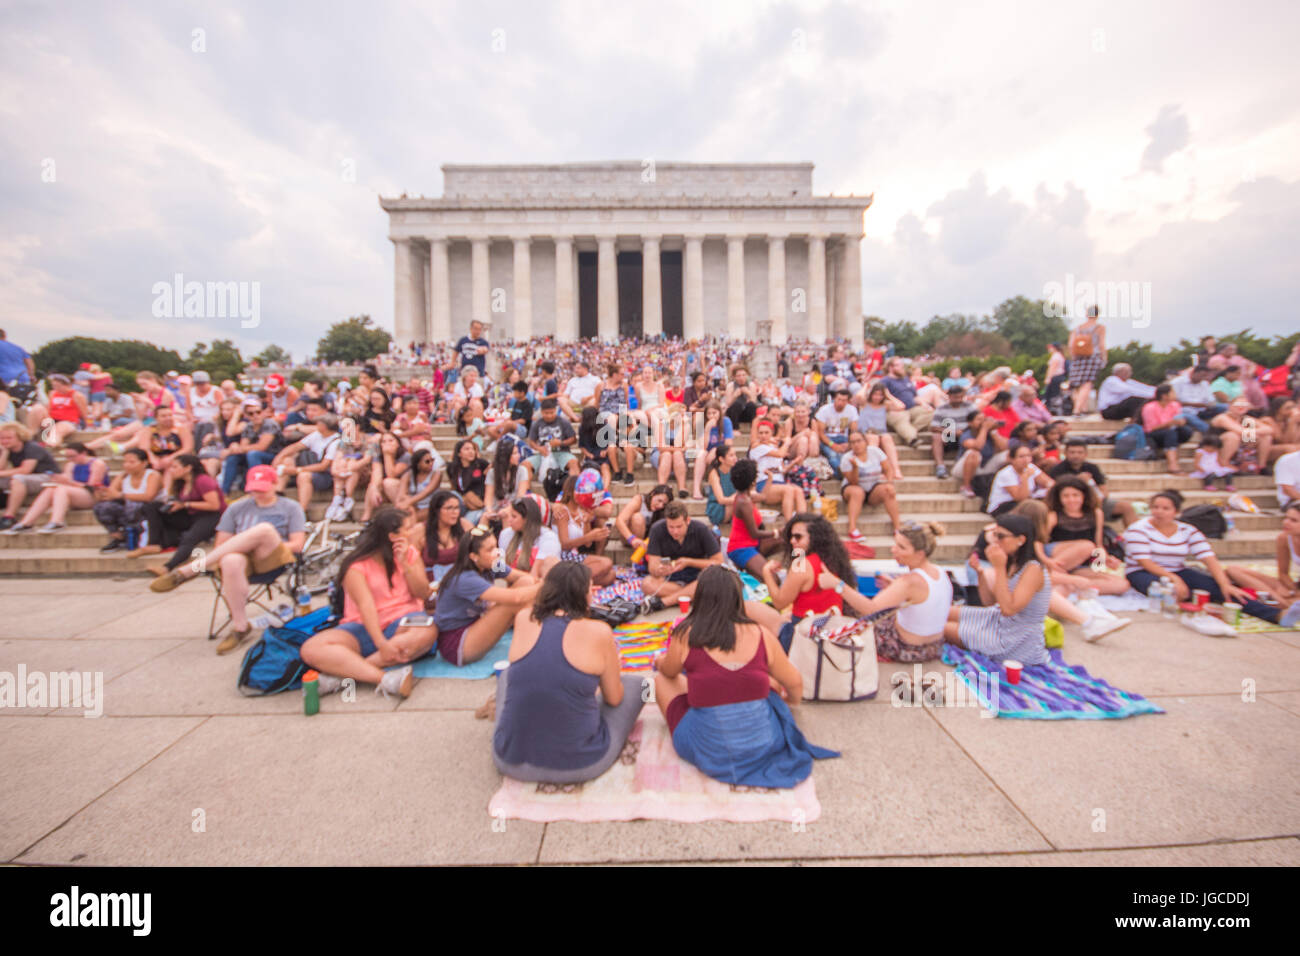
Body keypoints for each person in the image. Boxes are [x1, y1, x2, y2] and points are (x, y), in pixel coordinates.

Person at [653, 565, 837, 788]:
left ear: (699, 598)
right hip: (763, 745)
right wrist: (790, 704)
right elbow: (794, 682)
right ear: (738, 599)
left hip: (708, 750)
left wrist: (660, 660)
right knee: (768, 681)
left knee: (661, 681)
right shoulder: (761, 634)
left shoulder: (685, 635)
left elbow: (668, 672)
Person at [493, 561, 644, 783]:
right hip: (582, 763)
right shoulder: (599, 632)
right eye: (590, 588)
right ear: (583, 594)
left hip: (509, 759)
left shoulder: (524, 618)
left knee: (507, 676)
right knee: (640, 685)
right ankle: (646, 699)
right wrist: (611, 666)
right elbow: (614, 698)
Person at [149, 464, 307, 654]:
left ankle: (189, 570)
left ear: (275, 484)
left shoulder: (291, 507)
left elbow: (297, 544)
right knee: (230, 560)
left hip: (273, 556)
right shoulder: (236, 508)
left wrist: (257, 541)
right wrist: (245, 544)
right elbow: (221, 544)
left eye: (262, 489)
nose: (258, 493)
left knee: (264, 530)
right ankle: (241, 627)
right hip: (241, 561)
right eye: (254, 489)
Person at [299, 506, 438, 699]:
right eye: (408, 528)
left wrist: (406, 565)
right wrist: (381, 643)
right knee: (311, 648)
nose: (412, 532)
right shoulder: (356, 567)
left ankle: (344, 674)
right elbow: (366, 607)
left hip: (404, 620)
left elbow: (423, 592)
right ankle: (384, 678)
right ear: (392, 536)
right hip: (362, 625)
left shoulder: (410, 552)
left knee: (427, 630)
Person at [1124, 489, 1300, 627]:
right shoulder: (1139, 529)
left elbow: (1209, 558)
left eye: (1165, 508)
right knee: (1175, 591)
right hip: (1143, 572)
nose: (1159, 512)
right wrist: (1174, 579)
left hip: (1178, 569)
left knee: (1224, 590)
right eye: (1155, 507)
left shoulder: (1188, 530)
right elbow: (1144, 562)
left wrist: (1224, 584)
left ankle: (1275, 615)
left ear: (1176, 512)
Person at [818, 521, 952, 663]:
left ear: (919, 554)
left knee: (851, 607)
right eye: (895, 544)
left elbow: (870, 610)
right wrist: (894, 587)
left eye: (901, 547)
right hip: (934, 646)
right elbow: (923, 600)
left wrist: (837, 584)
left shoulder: (909, 582)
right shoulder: (939, 571)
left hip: (909, 649)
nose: (893, 550)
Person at [944, 513, 1052, 665]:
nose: (995, 541)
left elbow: (1009, 609)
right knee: (942, 612)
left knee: (939, 627)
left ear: (1021, 540)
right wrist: (980, 573)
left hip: (1017, 639)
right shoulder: (1012, 561)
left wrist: (999, 567)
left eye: (1001, 536)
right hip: (998, 620)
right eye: (994, 535)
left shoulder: (1033, 569)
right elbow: (990, 602)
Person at [433, 526, 540, 666]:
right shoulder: (465, 578)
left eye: (495, 547)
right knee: (514, 602)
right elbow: (516, 598)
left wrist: (537, 582)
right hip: (458, 645)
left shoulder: (492, 565)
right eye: (490, 550)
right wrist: (545, 585)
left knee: (526, 582)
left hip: (476, 626)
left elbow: (520, 577)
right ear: (474, 557)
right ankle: (534, 646)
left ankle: (534, 641)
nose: (497, 552)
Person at [759, 514, 856, 645]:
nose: (792, 541)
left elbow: (779, 603)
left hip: (804, 636)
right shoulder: (835, 559)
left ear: (814, 538)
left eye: (798, 537)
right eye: (791, 537)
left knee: (753, 610)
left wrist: (766, 573)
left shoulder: (801, 564)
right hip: (831, 631)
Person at [3, 442, 107, 534]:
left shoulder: (97, 464)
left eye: (73, 456)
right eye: (68, 456)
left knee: (61, 489)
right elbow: (69, 483)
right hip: (76, 494)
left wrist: (68, 482)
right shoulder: (70, 465)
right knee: (51, 489)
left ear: (84, 453)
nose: (70, 459)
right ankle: (27, 522)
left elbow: (92, 487)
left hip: (95, 495)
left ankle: (57, 521)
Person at [641, 499, 724, 603]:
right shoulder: (657, 529)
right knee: (647, 584)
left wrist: (689, 562)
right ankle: (691, 595)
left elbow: (719, 562)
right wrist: (659, 570)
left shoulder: (701, 529)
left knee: (714, 579)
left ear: (687, 521)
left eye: (679, 527)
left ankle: (666, 602)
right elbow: (652, 567)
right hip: (671, 579)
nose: (675, 531)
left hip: (698, 576)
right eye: (671, 527)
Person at [1224, 502, 1300, 613]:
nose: (1286, 522)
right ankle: (1278, 600)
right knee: (1232, 570)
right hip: (1295, 586)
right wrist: (1290, 589)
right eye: (1286, 518)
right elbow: (1283, 574)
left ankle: (1281, 602)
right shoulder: (1284, 538)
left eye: (1293, 520)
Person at [1048, 438, 1138, 526]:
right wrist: (1078, 481)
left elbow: (1103, 490)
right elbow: (1054, 492)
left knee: (1126, 507)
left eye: (1080, 452)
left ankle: (1135, 538)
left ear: (1085, 454)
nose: (1076, 455)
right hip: (1068, 504)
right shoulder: (1057, 470)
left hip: (1094, 502)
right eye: (1072, 452)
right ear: (1065, 453)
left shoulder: (1092, 468)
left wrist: (1098, 499)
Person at [552, 471, 615, 586]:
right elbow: (564, 544)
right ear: (571, 492)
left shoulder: (581, 511)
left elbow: (588, 544)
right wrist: (589, 536)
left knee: (610, 576)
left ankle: (572, 584)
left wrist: (587, 522)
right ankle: (567, 583)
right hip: (561, 556)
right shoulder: (562, 511)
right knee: (607, 563)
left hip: (574, 556)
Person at [93, 448, 163, 551]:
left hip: (149, 513)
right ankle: (118, 536)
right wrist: (101, 493)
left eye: (132, 462)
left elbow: (149, 496)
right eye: (125, 462)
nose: (127, 465)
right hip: (130, 512)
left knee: (137, 507)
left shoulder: (153, 475)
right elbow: (111, 494)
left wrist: (121, 495)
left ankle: (134, 536)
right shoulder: (123, 476)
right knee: (102, 507)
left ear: (144, 463)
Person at [724, 459, 782, 576]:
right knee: (773, 578)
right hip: (740, 549)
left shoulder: (747, 495)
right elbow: (754, 533)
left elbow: (764, 496)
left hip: (753, 543)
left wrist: (770, 478)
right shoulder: (743, 501)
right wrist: (776, 532)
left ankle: (798, 570)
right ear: (752, 482)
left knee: (788, 539)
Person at [0, 422, 59, 530]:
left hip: (47, 477)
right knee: (16, 479)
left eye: (9, 438)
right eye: (2, 438)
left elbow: (26, 470)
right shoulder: (8, 449)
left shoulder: (32, 447)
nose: (5, 441)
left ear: (19, 437)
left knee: (18, 478)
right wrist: (4, 452)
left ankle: (9, 516)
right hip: (26, 479)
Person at [499, 495, 562, 576]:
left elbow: (536, 575)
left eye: (514, 516)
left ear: (527, 519)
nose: (509, 520)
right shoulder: (506, 534)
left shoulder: (548, 537)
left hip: (540, 583)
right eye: (509, 515)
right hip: (514, 584)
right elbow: (500, 571)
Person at [419, 489, 473, 582]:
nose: (455, 512)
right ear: (436, 510)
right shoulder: (420, 530)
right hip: (431, 585)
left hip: (461, 581)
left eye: (457, 508)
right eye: (449, 508)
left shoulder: (465, 525)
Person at [523, 397, 579, 485]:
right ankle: (526, 491)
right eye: (546, 413)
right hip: (543, 453)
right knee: (525, 465)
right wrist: (539, 448)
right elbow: (531, 441)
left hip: (562, 452)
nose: (549, 415)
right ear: (541, 412)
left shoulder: (563, 422)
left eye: (552, 413)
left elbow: (573, 439)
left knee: (574, 463)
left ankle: (572, 491)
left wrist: (560, 443)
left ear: (556, 411)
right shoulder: (538, 423)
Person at [986, 440, 1052, 514]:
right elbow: (1020, 498)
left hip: (1024, 503)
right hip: (1003, 506)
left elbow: (1049, 482)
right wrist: (1025, 478)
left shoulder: (1031, 467)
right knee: (1030, 507)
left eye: (1028, 456)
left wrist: (1048, 487)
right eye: (1021, 456)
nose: (1026, 459)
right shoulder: (1006, 474)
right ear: (1012, 459)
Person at [879, 357, 934, 445]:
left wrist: (924, 404)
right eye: (898, 365)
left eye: (902, 365)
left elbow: (915, 396)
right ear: (890, 367)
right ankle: (912, 439)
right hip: (896, 410)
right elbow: (882, 398)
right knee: (900, 419)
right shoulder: (884, 381)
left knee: (930, 412)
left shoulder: (905, 379)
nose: (902, 367)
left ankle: (909, 430)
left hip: (912, 408)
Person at [1141, 384, 1193, 475]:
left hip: (1170, 431)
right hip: (1153, 434)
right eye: (1172, 392)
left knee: (1186, 431)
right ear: (1164, 396)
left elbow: (1179, 419)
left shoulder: (1175, 405)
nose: (1175, 394)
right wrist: (1170, 423)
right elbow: (1150, 428)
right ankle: (1172, 464)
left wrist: (1180, 422)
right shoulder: (1150, 407)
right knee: (1170, 433)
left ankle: (1169, 451)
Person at [930, 385, 976, 479]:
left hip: (966, 434)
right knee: (936, 436)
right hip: (949, 437)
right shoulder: (941, 408)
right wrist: (951, 431)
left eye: (960, 397)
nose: (958, 400)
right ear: (949, 396)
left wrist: (964, 430)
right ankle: (940, 466)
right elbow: (934, 427)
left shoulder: (969, 406)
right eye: (956, 397)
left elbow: (977, 421)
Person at [1067, 305, 1107, 415]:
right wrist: (1104, 358)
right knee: (1087, 384)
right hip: (1092, 357)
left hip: (1078, 357)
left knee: (1075, 384)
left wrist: (1073, 356)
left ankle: (1081, 408)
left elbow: (1071, 345)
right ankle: (1078, 409)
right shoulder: (1099, 328)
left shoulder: (1078, 328)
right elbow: (1101, 344)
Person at [614, 483, 673, 556]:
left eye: (664, 504)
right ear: (652, 494)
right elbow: (619, 520)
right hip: (630, 537)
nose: (660, 505)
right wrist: (632, 539)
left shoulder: (663, 509)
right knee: (638, 518)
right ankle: (638, 557)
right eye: (659, 501)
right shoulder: (639, 500)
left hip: (648, 539)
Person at [813, 387, 856, 474]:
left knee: (845, 456)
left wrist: (850, 443)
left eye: (844, 400)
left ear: (848, 401)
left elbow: (854, 430)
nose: (841, 402)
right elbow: (821, 433)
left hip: (844, 438)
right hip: (828, 439)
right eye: (839, 399)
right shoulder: (824, 410)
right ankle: (843, 473)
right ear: (834, 399)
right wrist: (833, 445)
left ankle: (844, 473)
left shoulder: (851, 410)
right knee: (833, 455)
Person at [446, 438, 488, 525]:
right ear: (459, 453)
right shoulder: (453, 468)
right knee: (453, 494)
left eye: (472, 449)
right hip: (463, 503)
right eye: (467, 449)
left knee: (466, 524)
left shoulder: (481, 464)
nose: (471, 451)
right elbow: (454, 487)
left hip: (478, 505)